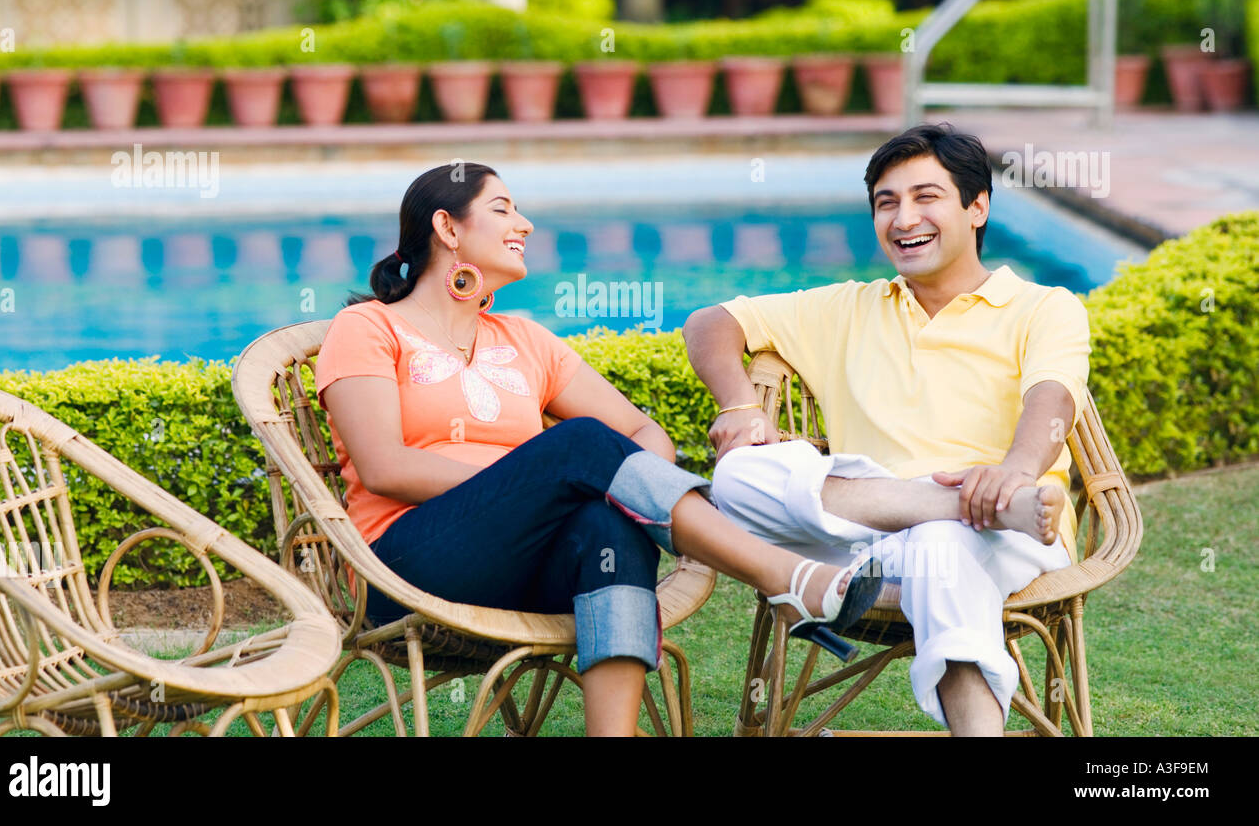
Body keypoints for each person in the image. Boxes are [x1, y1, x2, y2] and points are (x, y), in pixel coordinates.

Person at [315, 161, 885, 737]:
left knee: (606, 526)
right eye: (502, 209)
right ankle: (780, 574)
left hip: (520, 565)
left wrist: (603, 488)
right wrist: (534, 477)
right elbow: (384, 466)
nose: (526, 224)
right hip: (402, 567)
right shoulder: (369, 328)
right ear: (447, 227)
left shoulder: (527, 341)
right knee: (578, 447)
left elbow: (646, 436)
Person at [683, 123, 1090, 736]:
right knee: (737, 475)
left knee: (939, 546)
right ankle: (946, 503)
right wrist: (740, 404)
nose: (904, 219)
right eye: (886, 202)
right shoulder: (847, 306)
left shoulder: (1044, 306)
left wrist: (1015, 475)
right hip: (869, 541)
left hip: (1011, 534)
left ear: (977, 207)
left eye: (926, 197)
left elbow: (1052, 399)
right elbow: (710, 322)